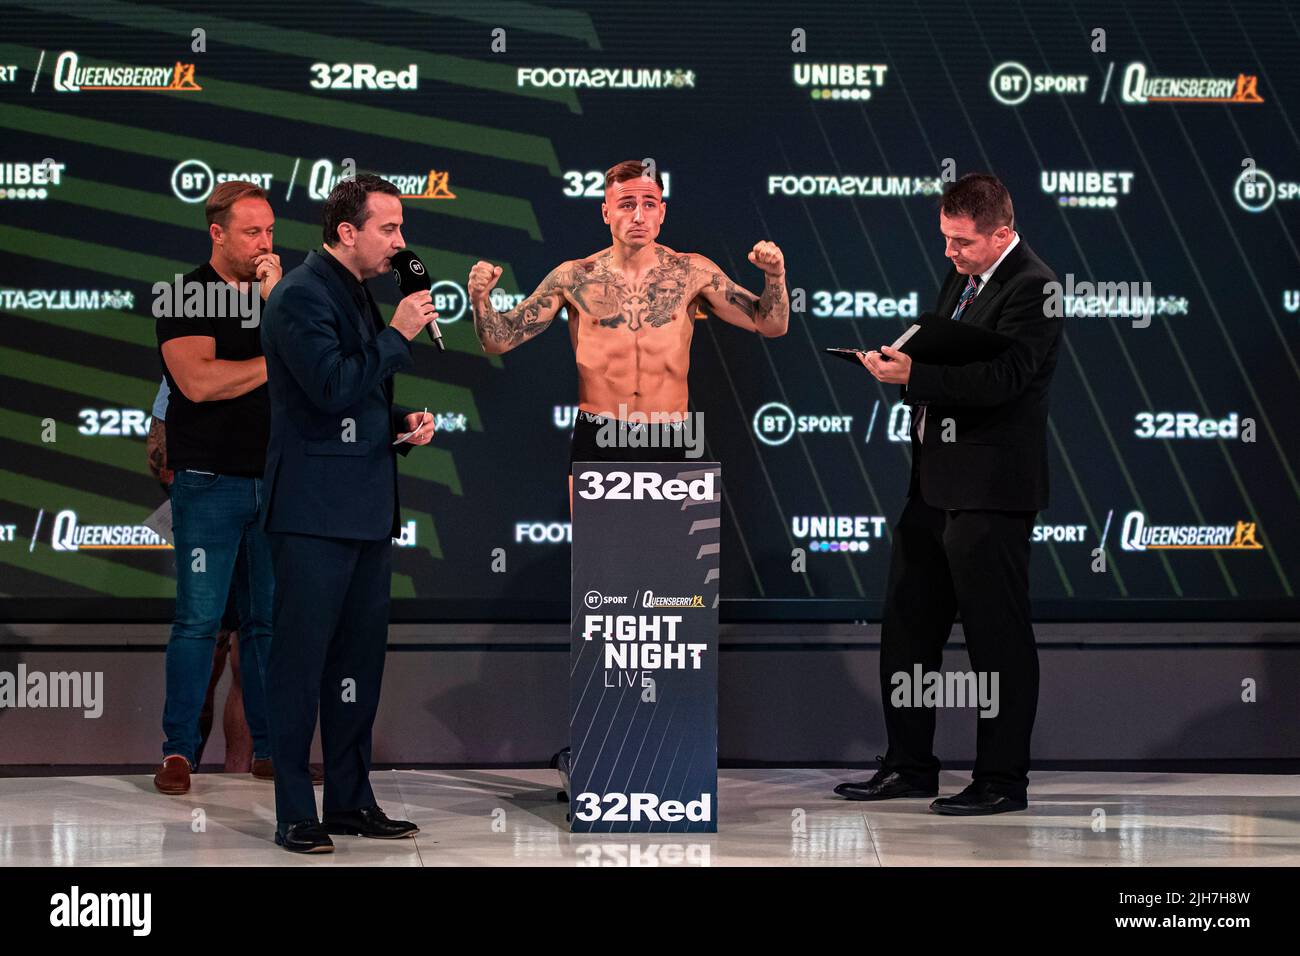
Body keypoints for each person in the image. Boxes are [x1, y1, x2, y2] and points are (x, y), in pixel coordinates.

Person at [837, 173, 1062, 815]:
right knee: (908, 628)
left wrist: (919, 375)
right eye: (945, 239)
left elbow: (1007, 378)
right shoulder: (966, 279)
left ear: (1001, 233)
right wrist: (909, 371)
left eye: (962, 242)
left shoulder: (1036, 287)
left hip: (992, 492)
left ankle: (1001, 780)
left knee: (997, 638)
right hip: (933, 486)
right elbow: (953, 357)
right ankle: (910, 765)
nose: (950, 253)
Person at [259, 174, 436, 854]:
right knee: (302, 666)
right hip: (311, 514)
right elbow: (328, 387)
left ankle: (351, 800)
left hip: (363, 509)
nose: (400, 243)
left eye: (401, 229)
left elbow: (353, 401)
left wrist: (398, 422)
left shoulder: (356, 291)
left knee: (357, 665)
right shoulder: (301, 295)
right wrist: (396, 334)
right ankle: (294, 812)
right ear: (346, 232)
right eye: (389, 229)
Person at [468, 158, 789, 482]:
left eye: (648, 204)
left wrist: (775, 277)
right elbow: (499, 340)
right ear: (607, 212)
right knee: (599, 536)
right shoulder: (574, 277)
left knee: (670, 536)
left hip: (670, 435)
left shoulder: (693, 272)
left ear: (661, 212)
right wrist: (480, 300)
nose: (638, 215)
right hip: (599, 436)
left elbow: (770, 324)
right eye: (626, 204)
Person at [153, 181, 282, 795]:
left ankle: (269, 749)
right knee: (199, 621)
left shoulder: (281, 296)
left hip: (274, 482)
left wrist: (275, 305)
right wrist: (274, 362)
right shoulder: (185, 294)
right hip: (208, 482)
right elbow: (198, 382)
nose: (265, 243)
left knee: (265, 625)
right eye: (252, 232)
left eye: (270, 231)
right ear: (218, 233)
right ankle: (177, 752)